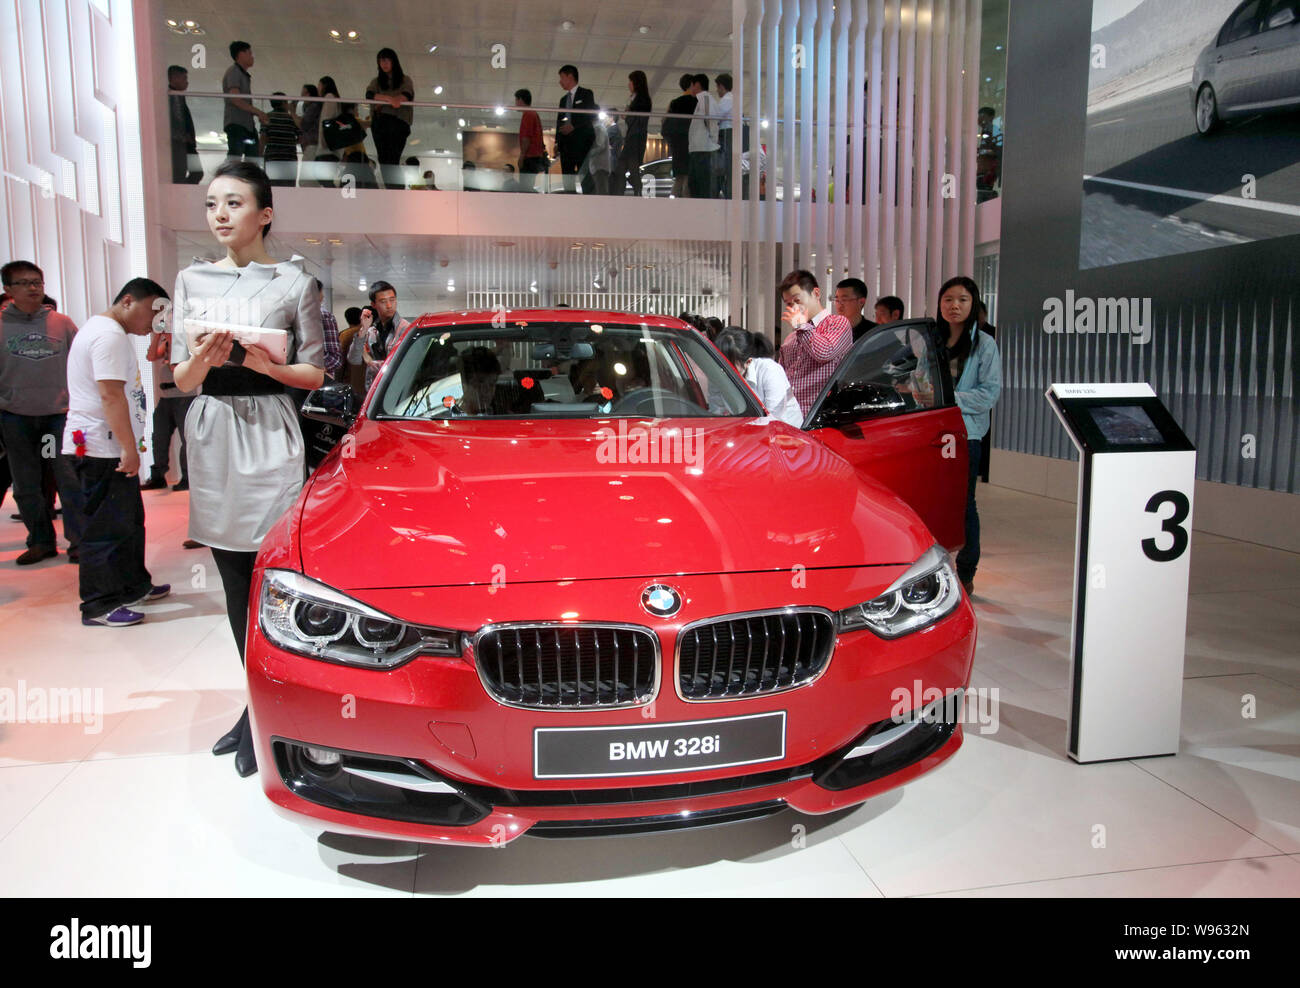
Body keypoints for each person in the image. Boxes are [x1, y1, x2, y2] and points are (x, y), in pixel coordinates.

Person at [170, 160, 326, 777]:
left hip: (271, 427)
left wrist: (266, 368)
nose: (220, 215)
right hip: (212, 427)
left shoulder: (295, 283)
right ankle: (253, 706)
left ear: (264, 213)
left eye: (233, 203)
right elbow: (181, 378)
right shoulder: (190, 279)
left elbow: (315, 373)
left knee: (275, 574)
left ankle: (284, 703)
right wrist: (204, 360)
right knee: (234, 578)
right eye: (212, 205)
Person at [63, 278, 172, 626]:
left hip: (107, 445)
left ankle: (132, 585)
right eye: (152, 312)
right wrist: (128, 448)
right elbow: (110, 395)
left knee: (127, 523)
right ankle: (99, 604)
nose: (154, 323)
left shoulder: (110, 333)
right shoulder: (108, 335)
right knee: (104, 528)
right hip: (99, 447)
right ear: (128, 301)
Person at [0, 261, 83, 564]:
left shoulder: (61, 323)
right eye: (24, 283)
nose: (33, 288)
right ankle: (40, 541)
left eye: (37, 282)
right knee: (26, 484)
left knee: (68, 479)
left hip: (56, 417)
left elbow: (80, 365)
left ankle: (79, 543)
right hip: (15, 417)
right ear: (8, 290)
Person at [935, 276, 1001, 596]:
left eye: (962, 299)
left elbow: (988, 395)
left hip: (966, 434)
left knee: (964, 503)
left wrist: (947, 399)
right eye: (948, 299)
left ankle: (966, 569)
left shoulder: (985, 344)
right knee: (933, 500)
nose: (954, 306)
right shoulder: (931, 341)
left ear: (973, 303)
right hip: (931, 434)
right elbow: (920, 384)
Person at [776, 269, 853, 412]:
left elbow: (824, 353)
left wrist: (801, 326)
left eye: (797, 300)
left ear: (816, 293)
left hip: (822, 416)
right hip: (791, 418)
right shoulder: (791, 338)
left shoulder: (837, 323)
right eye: (789, 304)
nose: (794, 307)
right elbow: (782, 379)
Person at [139, 326, 194, 492]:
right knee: (159, 437)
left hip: (184, 397)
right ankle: (157, 477)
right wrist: (157, 336)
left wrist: (171, 338)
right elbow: (151, 356)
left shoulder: (184, 341)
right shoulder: (166, 341)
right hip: (165, 398)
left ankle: (187, 478)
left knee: (187, 440)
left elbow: (174, 366)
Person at [716, 326, 802, 426]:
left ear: (748, 362)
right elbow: (716, 411)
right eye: (720, 363)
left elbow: (773, 418)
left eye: (730, 365)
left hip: (786, 432)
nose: (723, 370)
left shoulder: (770, 371)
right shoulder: (717, 373)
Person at [365, 48, 415, 189]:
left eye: (387, 60)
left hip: (398, 122)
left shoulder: (405, 80)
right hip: (380, 123)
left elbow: (404, 97)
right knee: (384, 159)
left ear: (393, 61)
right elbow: (369, 95)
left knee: (392, 159)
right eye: (381, 60)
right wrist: (388, 99)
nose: (384, 63)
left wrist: (382, 101)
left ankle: (395, 190)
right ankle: (393, 189)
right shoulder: (376, 81)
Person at [222, 41, 267, 162]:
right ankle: (229, 178)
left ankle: (245, 179)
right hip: (237, 124)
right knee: (236, 156)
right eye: (249, 53)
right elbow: (235, 99)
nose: (252, 57)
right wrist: (258, 112)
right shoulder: (234, 72)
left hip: (247, 125)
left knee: (251, 157)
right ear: (241, 54)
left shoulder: (243, 74)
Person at [555, 64, 596, 194]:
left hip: (582, 143)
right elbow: (559, 121)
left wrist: (574, 126)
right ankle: (569, 202)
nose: (560, 81)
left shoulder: (586, 94)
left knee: (584, 176)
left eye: (562, 77)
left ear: (570, 76)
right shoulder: (563, 100)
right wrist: (557, 141)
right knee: (567, 178)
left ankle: (588, 202)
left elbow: (589, 115)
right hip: (566, 145)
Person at [362, 281, 410, 391]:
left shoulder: (405, 328)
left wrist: (371, 362)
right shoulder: (372, 330)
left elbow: (405, 364)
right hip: (375, 388)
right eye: (383, 301)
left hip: (399, 389)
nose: (389, 305)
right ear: (373, 304)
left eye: (392, 300)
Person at [616, 71, 651, 196]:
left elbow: (637, 120)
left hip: (635, 137)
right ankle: (633, 191)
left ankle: (635, 190)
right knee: (626, 166)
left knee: (629, 165)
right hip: (634, 137)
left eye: (631, 81)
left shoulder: (641, 100)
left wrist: (627, 115)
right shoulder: (640, 99)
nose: (629, 84)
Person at [664, 75, 697, 198]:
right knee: (688, 180)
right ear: (692, 85)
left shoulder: (674, 103)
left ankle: (673, 205)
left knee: (679, 179)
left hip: (677, 146)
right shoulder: (696, 102)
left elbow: (665, 125)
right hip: (692, 145)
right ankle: (687, 208)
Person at [168, 66, 202, 184]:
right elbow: (175, 120)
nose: (186, 82)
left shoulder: (178, 96)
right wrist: (183, 135)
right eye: (184, 78)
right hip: (179, 142)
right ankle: (181, 191)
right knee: (181, 172)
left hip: (185, 141)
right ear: (174, 78)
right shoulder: (172, 97)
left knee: (196, 172)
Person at [687, 74, 719, 199]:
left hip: (704, 148)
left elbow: (710, 121)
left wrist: (711, 137)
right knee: (696, 184)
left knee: (701, 185)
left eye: (692, 85)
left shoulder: (705, 99)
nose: (691, 89)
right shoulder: (702, 100)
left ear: (697, 85)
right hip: (699, 148)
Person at [261, 93, 300, 187]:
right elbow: (300, 137)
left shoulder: (267, 117)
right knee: (288, 190)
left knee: (272, 189)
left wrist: (260, 156)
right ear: (283, 102)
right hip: (289, 159)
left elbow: (263, 138)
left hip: (272, 158)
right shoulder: (291, 119)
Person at [515, 89, 548, 192]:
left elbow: (526, 137)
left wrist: (522, 156)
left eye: (516, 100)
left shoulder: (528, 114)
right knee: (528, 187)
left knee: (525, 188)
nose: (515, 103)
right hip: (535, 157)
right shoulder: (534, 114)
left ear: (520, 100)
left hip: (530, 157)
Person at [714, 73, 734, 198]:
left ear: (721, 86)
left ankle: (725, 191)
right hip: (728, 132)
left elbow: (716, 116)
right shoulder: (732, 98)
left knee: (724, 163)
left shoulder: (727, 99)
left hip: (726, 132)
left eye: (717, 87)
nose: (716, 90)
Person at [296, 84, 322, 164]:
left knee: (307, 172)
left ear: (309, 94)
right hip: (311, 146)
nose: (302, 97)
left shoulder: (314, 107)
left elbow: (303, 124)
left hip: (312, 146)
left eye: (304, 94)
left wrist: (292, 111)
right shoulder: (313, 107)